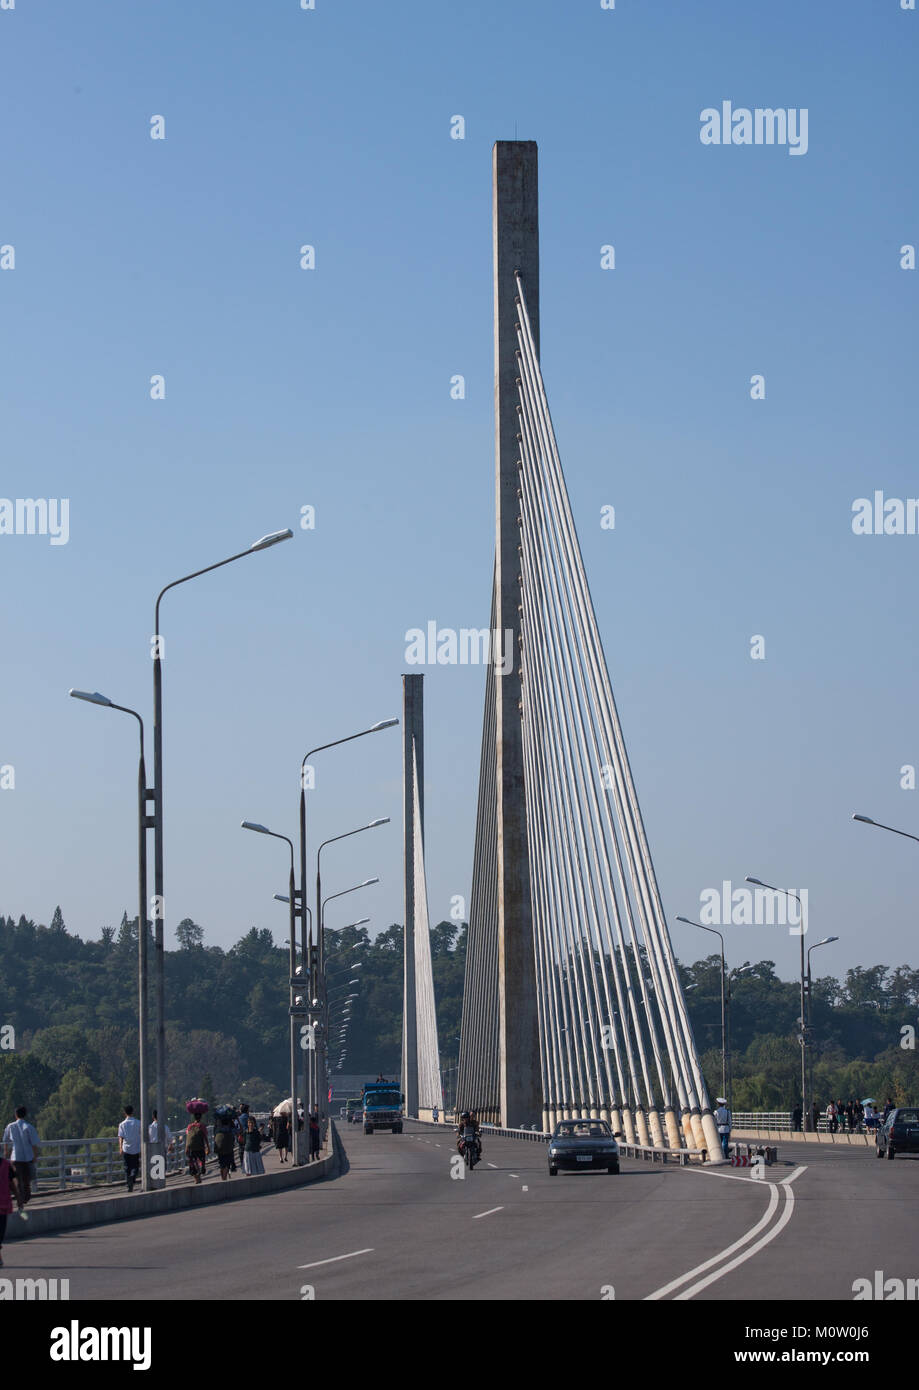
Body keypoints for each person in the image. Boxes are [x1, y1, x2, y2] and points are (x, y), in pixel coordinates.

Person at [2, 1106, 40, 1206]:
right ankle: (25, 1198)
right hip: (27, 1157)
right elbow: (34, 1144)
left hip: (15, 1157)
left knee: (17, 1179)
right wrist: (35, 1156)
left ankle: (19, 1198)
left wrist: (6, 1152)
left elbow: (5, 1140)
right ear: (25, 1114)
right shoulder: (29, 1127)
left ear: (16, 1115)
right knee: (26, 1179)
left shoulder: (10, 1126)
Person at [0, 1151, 23, 1269]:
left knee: (1, 1233)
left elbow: (11, 1184)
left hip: (3, 1205)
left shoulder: (5, 1165)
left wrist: (18, 1198)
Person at [117, 1106, 142, 1193]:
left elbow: (121, 1137)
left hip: (126, 1148)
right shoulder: (139, 1123)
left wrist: (120, 1147)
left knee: (127, 1167)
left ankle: (128, 1184)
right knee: (135, 1167)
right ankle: (133, 1178)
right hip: (136, 1148)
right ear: (133, 1112)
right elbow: (142, 1134)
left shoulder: (122, 1124)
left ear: (125, 1113)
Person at [185, 1112, 209, 1184]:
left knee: (192, 1162)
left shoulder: (189, 1126)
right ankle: (199, 1174)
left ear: (194, 1118)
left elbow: (188, 1138)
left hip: (191, 1148)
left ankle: (196, 1178)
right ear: (200, 1117)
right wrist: (208, 1147)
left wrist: (186, 1148)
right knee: (201, 1161)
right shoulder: (202, 1126)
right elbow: (205, 1137)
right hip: (200, 1147)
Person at [213, 1113, 236, 1182]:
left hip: (220, 1146)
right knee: (227, 1163)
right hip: (228, 1146)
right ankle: (224, 1178)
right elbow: (236, 1131)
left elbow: (214, 1133)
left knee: (221, 1163)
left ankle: (223, 1178)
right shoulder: (230, 1126)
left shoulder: (218, 1127)